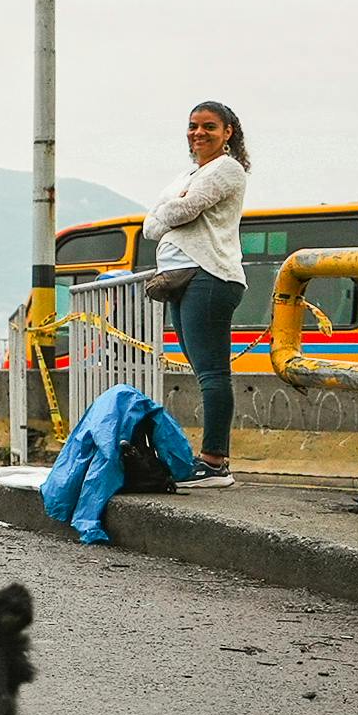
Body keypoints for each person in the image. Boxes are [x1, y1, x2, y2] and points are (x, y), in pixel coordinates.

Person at [149, 101, 251, 485]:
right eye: (193, 126)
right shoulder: (189, 173)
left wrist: (167, 209)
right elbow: (151, 225)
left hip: (210, 276)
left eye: (209, 126)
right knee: (201, 367)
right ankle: (212, 459)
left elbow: (182, 211)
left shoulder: (226, 168)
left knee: (211, 371)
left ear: (228, 133)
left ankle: (214, 462)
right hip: (183, 277)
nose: (198, 133)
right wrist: (167, 210)